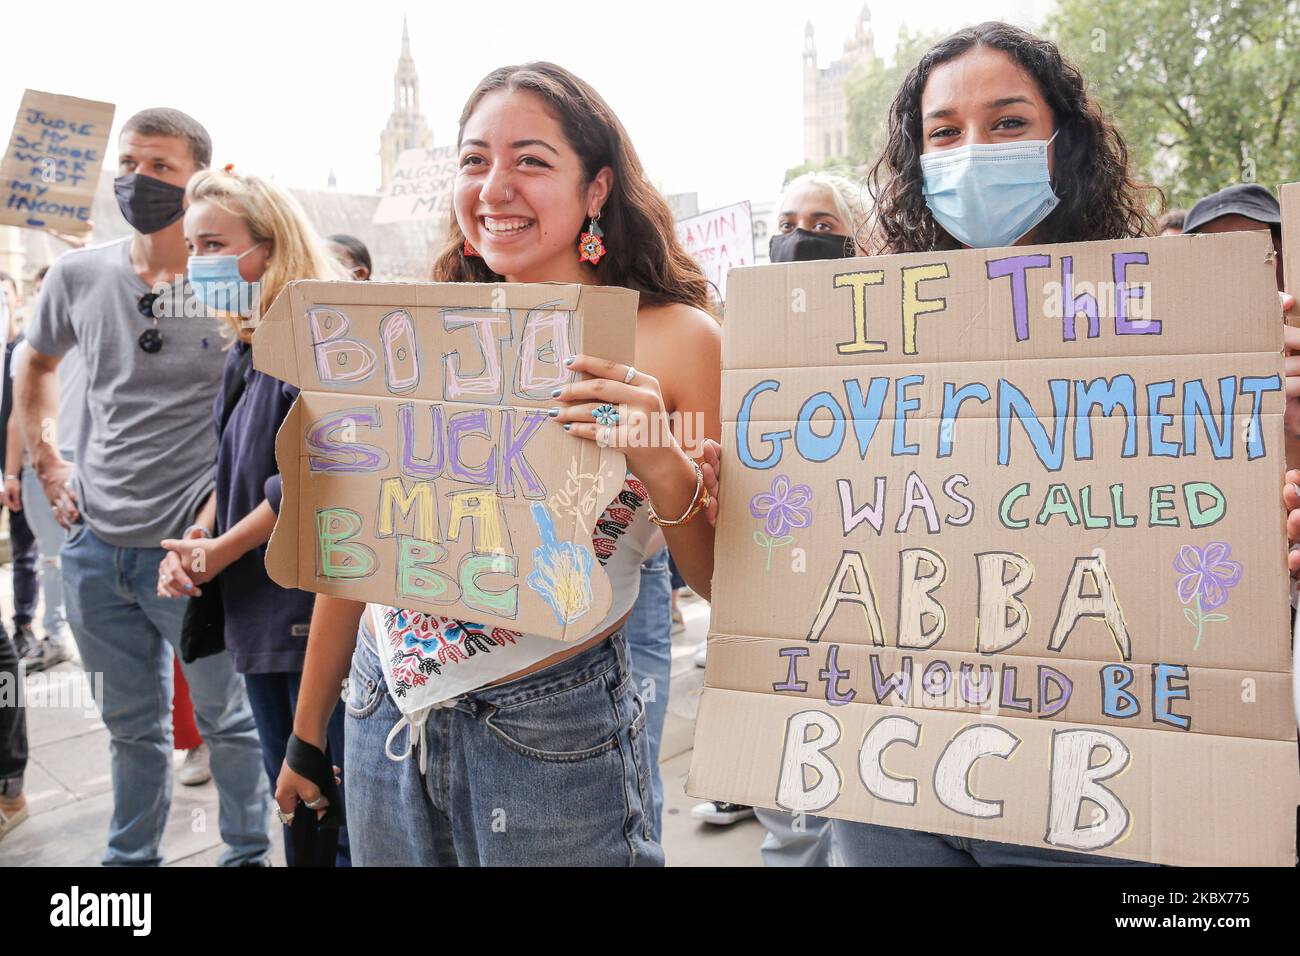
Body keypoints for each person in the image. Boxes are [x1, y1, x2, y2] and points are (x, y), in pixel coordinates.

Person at [704, 21, 1163, 867]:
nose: (973, 151)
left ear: (1067, 141)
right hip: (890, 771)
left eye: (1009, 123)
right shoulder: (852, 341)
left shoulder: (1162, 324)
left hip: (1087, 775)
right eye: (944, 133)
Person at [275, 62, 721, 866]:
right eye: (475, 160)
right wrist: (309, 731)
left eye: (531, 161)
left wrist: (660, 462)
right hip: (384, 711)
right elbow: (359, 552)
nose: (494, 187)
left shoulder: (680, 341)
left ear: (597, 188)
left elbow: (723, 577)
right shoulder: (409, 330)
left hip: (552, 731)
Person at [14, 108, 271, 867]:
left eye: (161, 166)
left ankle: (247, 854)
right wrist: (49, 462)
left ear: (199, 177)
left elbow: (267, 401)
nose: (138, 178)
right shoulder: (76, 275)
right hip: (94, 548)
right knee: (130, 728)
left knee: (228, 724)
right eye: (129, 162)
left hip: (193, 554)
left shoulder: (229, 284)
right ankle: (130, 865)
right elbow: (35, 363)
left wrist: (213, 525)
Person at [156, 165, 351, 865]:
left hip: (305, 612)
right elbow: (234, 470)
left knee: (321, 804)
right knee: (298, 802)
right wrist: (204, 533)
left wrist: (221, 551)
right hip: (258, 606)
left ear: (270, 246)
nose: (199, 263)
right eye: (193, 248)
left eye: (214, 245)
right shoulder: (249, 344)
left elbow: (309, 479)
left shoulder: (315, 336)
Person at [691, 171, 870, 862]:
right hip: (777, 604)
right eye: (790, 220)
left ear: (863, 241)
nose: (801, 237)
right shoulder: (740, 345)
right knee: (792, 809)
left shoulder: (902, 343)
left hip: (865, 601)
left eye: (824, 225)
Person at [0, 274, 40, 668]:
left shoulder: (27, 348)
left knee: (26, 550)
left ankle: (24, 624)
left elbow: (19, 415)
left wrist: (11, 473)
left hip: (15, 466)